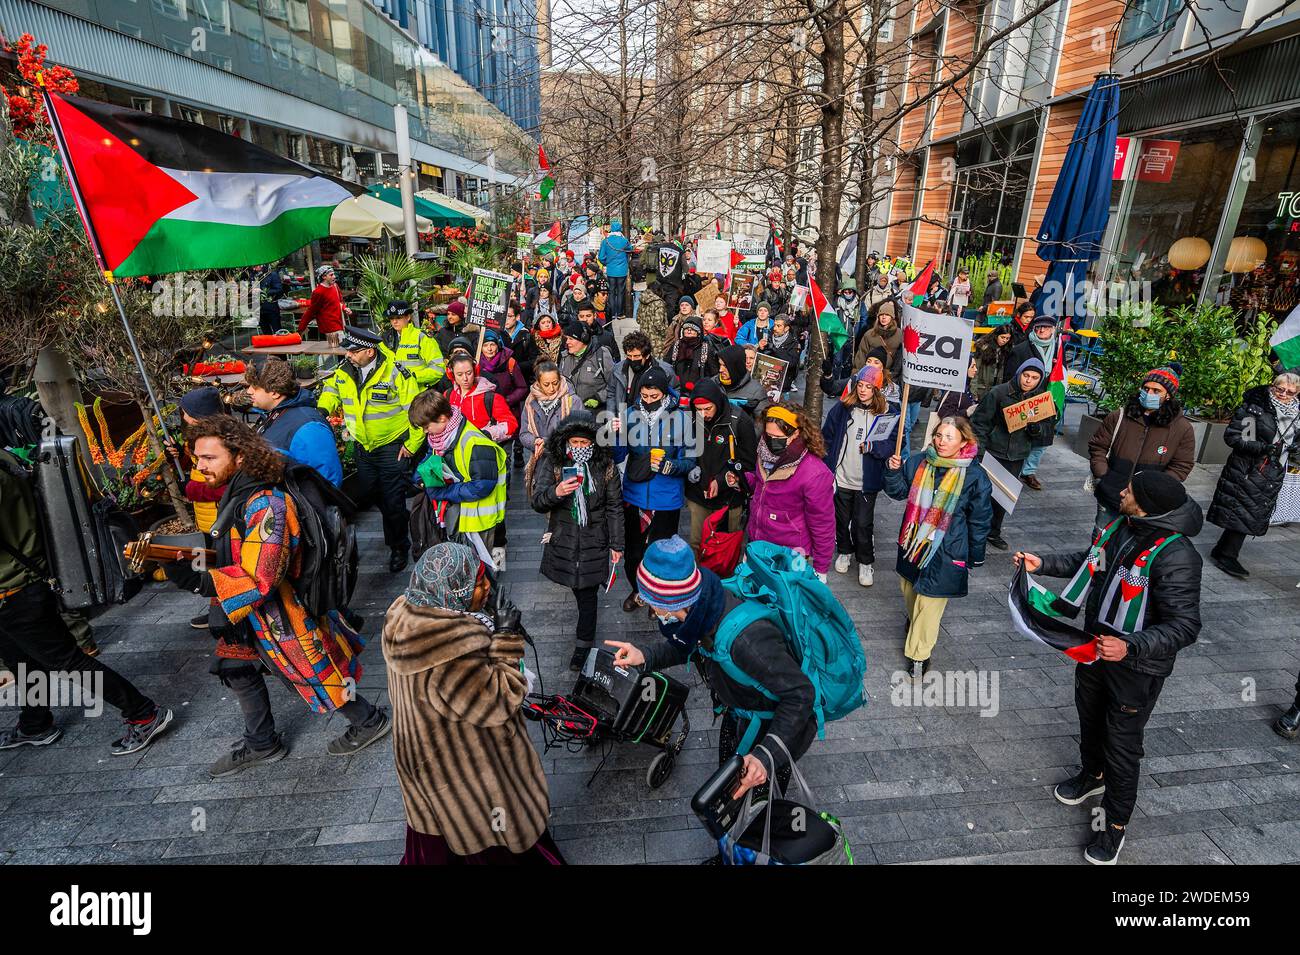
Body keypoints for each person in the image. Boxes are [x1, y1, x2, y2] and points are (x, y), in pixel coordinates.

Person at [1017, 470, 1203, 865]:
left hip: (1137, 668)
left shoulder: (1177, 555)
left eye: (1130, 491)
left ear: (1148, 505)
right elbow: (1091, 563)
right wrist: (1042, 563)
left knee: (1122, 746)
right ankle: (1091, 775)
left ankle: (1114, 826)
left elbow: (1185, 625)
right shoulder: (1123, 525)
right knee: (1089, 718)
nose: (1121, 492)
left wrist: (1130, 646)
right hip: (1096, 648)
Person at [185, 416, 388, 777]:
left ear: (241, 457)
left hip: (281, 614)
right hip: (248, 613)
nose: (199, 466)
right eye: (197, 457)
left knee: (317, 671)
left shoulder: (266, 504)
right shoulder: (241, 490)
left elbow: (260, 577)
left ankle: (369, 720)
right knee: (237, 668)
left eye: (209, 458)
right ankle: (261, 742)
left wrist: (201, 581)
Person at [383, 543, 563, 865]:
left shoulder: (404, 616)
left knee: (439, 832)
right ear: (455, 591)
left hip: (421, 761)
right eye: (479, 583)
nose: (487, 588)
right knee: (487, 835)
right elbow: (499, 701)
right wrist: (506, 636)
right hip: (462, 770)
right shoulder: (450, 651)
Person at [605, 537, 816, 796]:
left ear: (669, 602)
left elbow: (800, 694)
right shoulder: (701, 604)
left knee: (759, 807)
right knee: (728, 795)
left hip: (771, 729)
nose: (647, 607)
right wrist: (645, 656)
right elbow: (687, 646)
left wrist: (764, 756)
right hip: (739, 711)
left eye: (648, 600)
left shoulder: (747, 642)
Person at [0, 447, 174, 755]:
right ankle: (35, 724)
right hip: (19, 583)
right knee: (23, 661)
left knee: (67, 661)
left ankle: (144, 713)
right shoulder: (5, 456)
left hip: (16, 589)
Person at [884, 416, 992, 682]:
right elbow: (897, 493)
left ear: (964, 442)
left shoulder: (975, 475)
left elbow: (980, 519)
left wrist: (975, 557)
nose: (941, 442)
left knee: (930, 605)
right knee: (910, 593)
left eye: (949, 437)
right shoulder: (919, 461)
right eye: (938, 435)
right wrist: (893, 471)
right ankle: (914, 623)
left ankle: (919, 655)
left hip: (947, 550)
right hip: (914, 543)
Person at [317, 325, 424, 573]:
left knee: (393, 499)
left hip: (393, 447)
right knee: (373, 493)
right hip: (363, 447)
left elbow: (417, 410)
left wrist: (411, 444)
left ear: (369, 353)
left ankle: (399, 546)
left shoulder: (396, 372)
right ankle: (397, 521)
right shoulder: (344, 371)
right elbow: (331, 391)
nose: (348, 355)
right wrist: (323, 410)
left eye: (353, 351)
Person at [531, 411, 624, 670]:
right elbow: (537, 501)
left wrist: (617, 545)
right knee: (577, 587)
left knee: (588, 595)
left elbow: (614, 506)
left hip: (595, 539)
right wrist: (556, 491)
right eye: (575, 443)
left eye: (585, 443)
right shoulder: (554, 462)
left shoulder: (605, 465)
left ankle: (582, 646)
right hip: (565, 538)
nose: (580, 448)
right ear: (566, 441)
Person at [613, 365, 696, 612]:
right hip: (635, 493)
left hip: (666, 496)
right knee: (633, 551)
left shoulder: (681, 418)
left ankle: (656, 596)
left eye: (654, 397)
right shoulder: (629, 414)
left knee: (660, 551)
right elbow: (619, 456)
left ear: (664, 393)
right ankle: (638, 591)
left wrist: (671, 465)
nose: (648, 401)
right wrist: (617, 436)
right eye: (644, 396)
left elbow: (690, 459)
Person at [1206, 370, 1300, 579]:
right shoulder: (1256, 408)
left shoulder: (1297, 413)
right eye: (1279, 389)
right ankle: (1226, 554)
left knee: (1252, 510)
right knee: (1245, 509)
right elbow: (1237, 437)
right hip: (1249, 468)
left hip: (1274, 470)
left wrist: (1294, 448)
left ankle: (1225, 551)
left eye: (1290, 392)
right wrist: (1264, 448)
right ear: (1272, 386)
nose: (1283, 394)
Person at [1087, 365, 1196, 537]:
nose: (1149, 394)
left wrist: (1156, 491)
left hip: (1146, 506)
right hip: (1111, 495)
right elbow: (1098, 447)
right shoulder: (1119, 416)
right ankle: (1099, 565)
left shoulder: (1182, 428)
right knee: (1101, 540)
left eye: (1156, 390)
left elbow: (1181, 465)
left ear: (1168, 395)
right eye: (1146, 388)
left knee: (1132, 545)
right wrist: (1104, 475)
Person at [409, 390, 509, 570]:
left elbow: (481, 486)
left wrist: (442, 493)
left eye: (426, 426)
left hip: (479, 521)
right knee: (465, 572)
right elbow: (430, 460)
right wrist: (420, 476)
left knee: (481, 573)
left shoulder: (475, 443)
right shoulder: (440, 438)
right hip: (461, 516)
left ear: (441, 418)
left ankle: (490, 592)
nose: (425, 432)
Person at [822, 365, 899, 586]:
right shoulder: (842, 408)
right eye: (861, 385)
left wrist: (874, 447)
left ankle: (865, 562)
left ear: (877, 389)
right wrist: (828, 467)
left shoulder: (888, 413)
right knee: (842, 520)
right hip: (842, 477)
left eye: (869, 387)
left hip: (867, 481)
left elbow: (892, 445)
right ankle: (845, 551)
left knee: (863, 524)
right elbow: (827, 437)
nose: (863, 390)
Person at [970, 357, 1055, 550]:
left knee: (1003, 497)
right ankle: (975, 530)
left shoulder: (1040, 399)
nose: (1028, 381)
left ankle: (994, 532)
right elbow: (980, 423)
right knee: (983, 495)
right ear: (1019, 374)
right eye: (1026, 375)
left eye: (1034, 377)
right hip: (993, 451)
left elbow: (1046, 428)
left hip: (1017, 455)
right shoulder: (999, 393)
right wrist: (980, 452)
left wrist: (1036, 430)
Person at [748, 402, 836, 580]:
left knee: (785, 603)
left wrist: (821, 569)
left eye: (777, 437)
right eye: (768, 435)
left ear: (796, 433)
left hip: (791, 553)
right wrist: (743, 479)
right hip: (758, 543)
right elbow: (761, 485)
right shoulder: (763, 452)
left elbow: (823, 524)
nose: (771, 441)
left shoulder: (814, 473)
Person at [684, 379, 756, 556]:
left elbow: (748, 462)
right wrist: (689, 468)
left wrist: (722, 480)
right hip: (698, 494)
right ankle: (699, 580)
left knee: (726, 546)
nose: (702, 414)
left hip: (729, 498)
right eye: (698, 409)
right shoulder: (689, 420)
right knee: (697, 543)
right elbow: (683, 450)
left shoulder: (739, 421)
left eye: (707, 409)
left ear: (717, 402)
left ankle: (725, 582)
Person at [245, 359, 342, 486]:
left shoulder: (309, 427)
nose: (248, 391)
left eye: (255, 387)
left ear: (274, 393)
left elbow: (328, 482)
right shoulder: (273, 414)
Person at [1008, 315, 1062, 490]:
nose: (1041, 331)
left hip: (1048, 399)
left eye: (1045, 328)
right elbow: (1009, 376)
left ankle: (1029, 472)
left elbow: (1061, 374)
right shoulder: (1021, 348)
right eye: (1038, 327)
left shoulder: (1057, 349)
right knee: (1020, 435)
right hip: (1025, 398)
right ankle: (1013, 470)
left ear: (1052, 330)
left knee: (1042, 438)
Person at [519, 361, 578, 477]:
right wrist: (534, 442)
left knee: (567, 492)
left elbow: (577, 433)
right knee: (541, 493)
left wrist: (547, 442)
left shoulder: (572, 401)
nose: (552, 388)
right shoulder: (530, 402)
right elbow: (524, 433)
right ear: (538, 383)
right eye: (546, 384)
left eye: (555, 383)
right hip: (540, 463)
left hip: (567, 462)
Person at [608, 330, 676, 415]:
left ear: (647, 355)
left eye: (637, 356)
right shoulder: (618, 369)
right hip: (624, 415)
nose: (632, 359)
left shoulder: (666, 371)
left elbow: (674, 393)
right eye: (629, 356)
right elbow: (611, 393)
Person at [381, 299, 446, 388]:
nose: (394, 322)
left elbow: (439, 369)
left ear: (408, 317)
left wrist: (414, 377)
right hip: (394, 396)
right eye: (392, 318)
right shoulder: (384, 339)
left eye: (399, 318)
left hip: (418, 394)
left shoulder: (422, 338)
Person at [476, 331, 528, 432]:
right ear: (480, 348)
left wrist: (507, 400)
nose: (489, 349)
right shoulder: (476, 365)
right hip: (484, 414)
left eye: (492, 344)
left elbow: (522, 387)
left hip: (508, 411)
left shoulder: (510, 362)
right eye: (485, 345)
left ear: (498, 345)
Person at [558, 321, 615, 411]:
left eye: (571, 339)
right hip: (569, 412)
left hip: (594, 414)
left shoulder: (601, 355)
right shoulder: (565, 357)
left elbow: (614, 385)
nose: (567, 342)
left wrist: (599, 398)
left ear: (583, 339)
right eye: (567, 338)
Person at [297, 264, 351, 346]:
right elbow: (311, 311)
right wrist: (301, 327)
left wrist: (345, 308)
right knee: (341, 348)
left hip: (340, 322)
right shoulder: (318, 292)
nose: (334, 277)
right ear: (324, 277)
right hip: (330, 326)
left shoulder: (335, 286)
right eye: (331, 275)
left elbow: (340, 301)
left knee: (341, 349)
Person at [669, 315, 721, 395]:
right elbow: (666, 366)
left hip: (699, 392)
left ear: (698, 332)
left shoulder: (706, 348)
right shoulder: (676, 346)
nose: (689, 331)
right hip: (676, 391)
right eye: (686, 328)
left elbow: (713, 373)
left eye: (693, 329)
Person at [716, 342, 768, 412]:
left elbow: (761, 419)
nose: (748, 361)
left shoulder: (757, 390)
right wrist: (700, 423)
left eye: (751, 358)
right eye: (745, 358)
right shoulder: (712, 383)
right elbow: (700, 412)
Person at [758, 314, 801, 394]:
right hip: (767, 379)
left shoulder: (793, 342)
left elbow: (792, 363)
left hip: (783, 383)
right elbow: (760, 359)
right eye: (774, 325)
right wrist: (760, 348)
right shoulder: (768, 336)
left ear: (786, 328)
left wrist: (774, 349)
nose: (775, 328)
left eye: (779, 326)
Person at [599, 221, 632, 320]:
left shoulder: (606, 241)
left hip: (611, 270)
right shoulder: (624, 241)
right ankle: (620, 313)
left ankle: (613, 314)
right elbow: (630, 250)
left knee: (612, 292)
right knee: (621, 292)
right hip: (622, 271)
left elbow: (601, 257)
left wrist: (606, 263)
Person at [972, 326, 1015, 399]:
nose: (1005, 340)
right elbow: (975, 369)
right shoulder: (984, 347)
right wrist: (973, 391)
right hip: (982, 387)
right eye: (1002, 337)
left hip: (996, 386)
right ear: (996, 336)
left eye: (1007, 338)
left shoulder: (1006, 349)